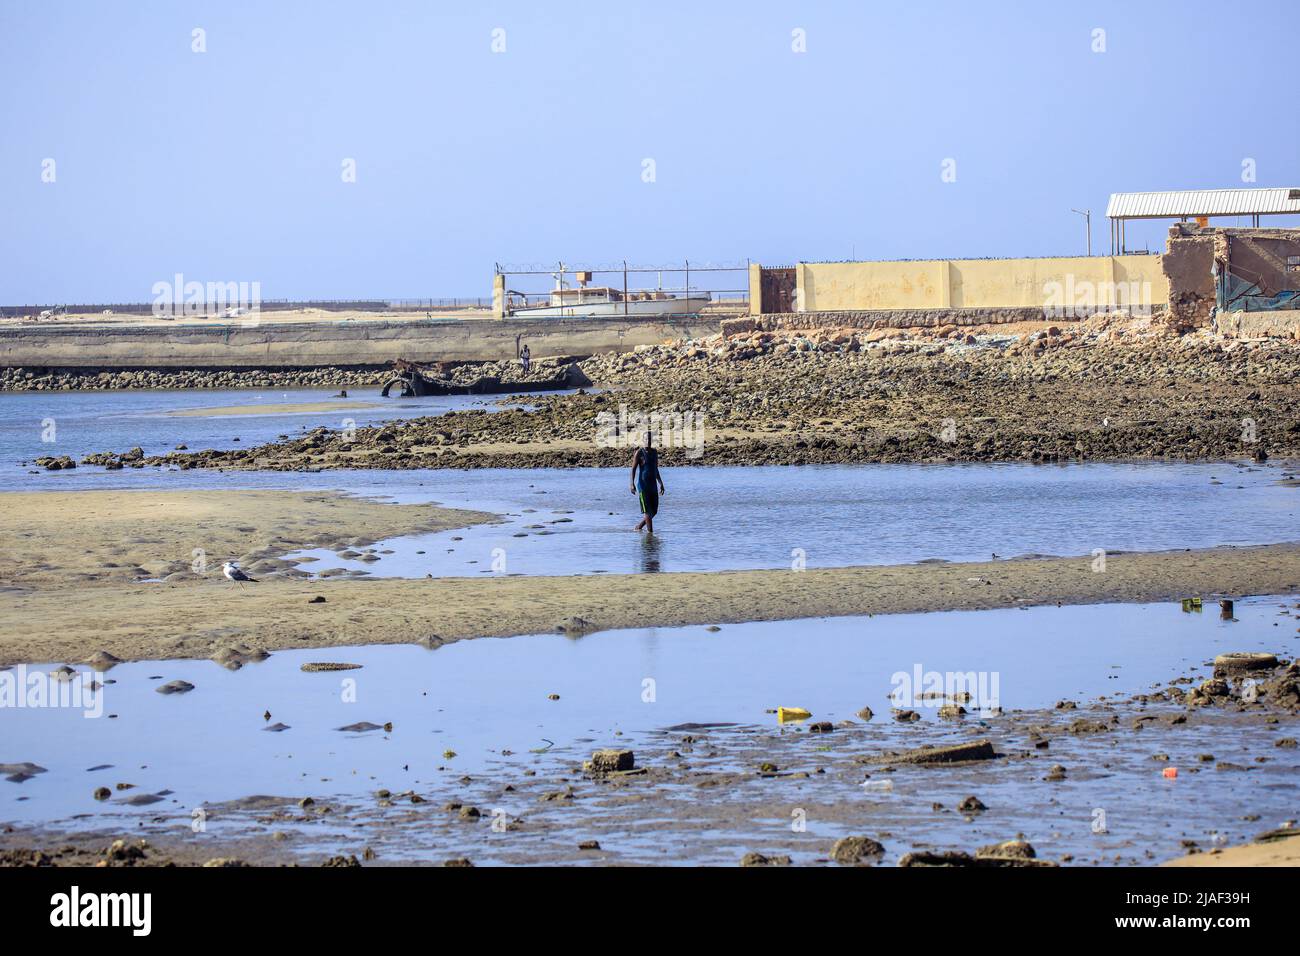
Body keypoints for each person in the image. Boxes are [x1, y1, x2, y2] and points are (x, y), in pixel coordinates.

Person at [630, 432, 665, 533]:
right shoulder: (639, 453)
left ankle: (639, 526)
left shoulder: (654, 452)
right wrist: (631, 484)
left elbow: (656, 469)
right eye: (646, 439)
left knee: (654, 511)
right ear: (643, 440)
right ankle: (650, 535)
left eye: (649, 440)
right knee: (647, 512)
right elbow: (633, 469)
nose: (648, 442)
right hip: (643, 487)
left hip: (653, 486)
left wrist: (661, 483)